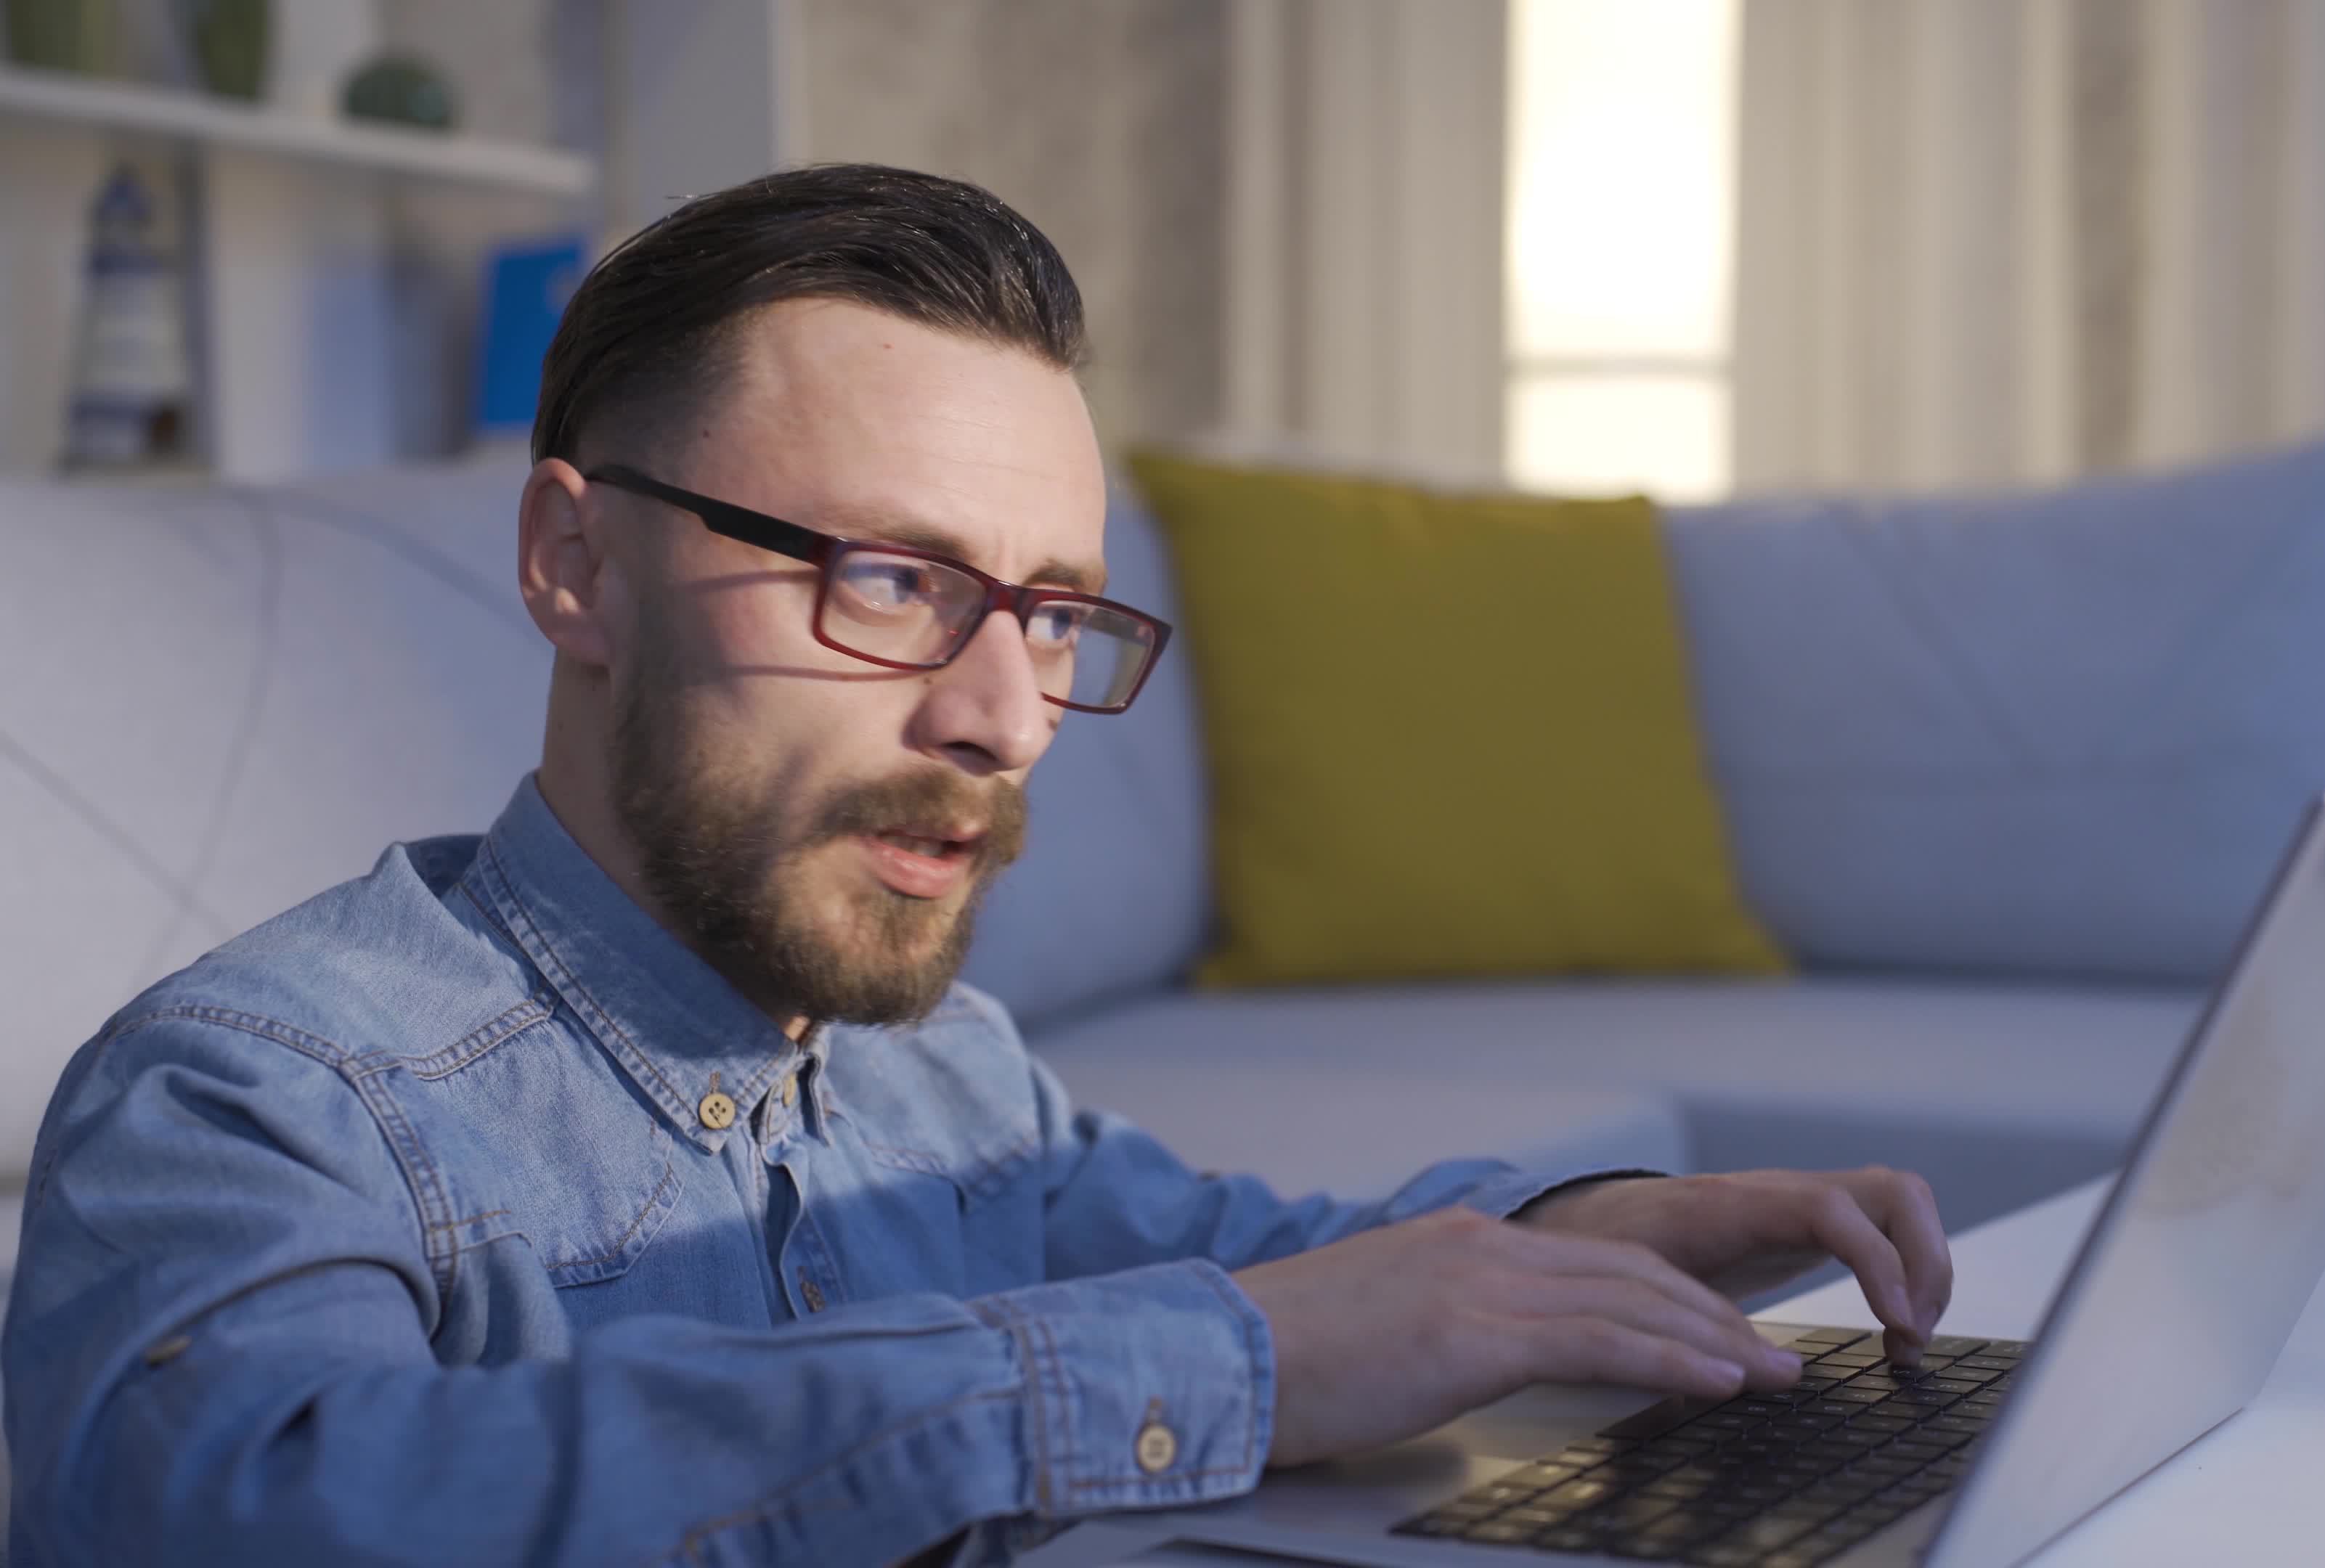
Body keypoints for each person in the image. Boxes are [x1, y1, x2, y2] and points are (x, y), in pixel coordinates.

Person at [2, 165, 1951, 1567]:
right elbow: (240, 1506)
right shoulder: (253, 1093)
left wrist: (1574, 1236)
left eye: (1049, 618)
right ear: (575, 566)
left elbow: (1239, 1246)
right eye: (898, 585)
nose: (1007, 721)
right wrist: (1216, 1361)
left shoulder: (942, 1075)